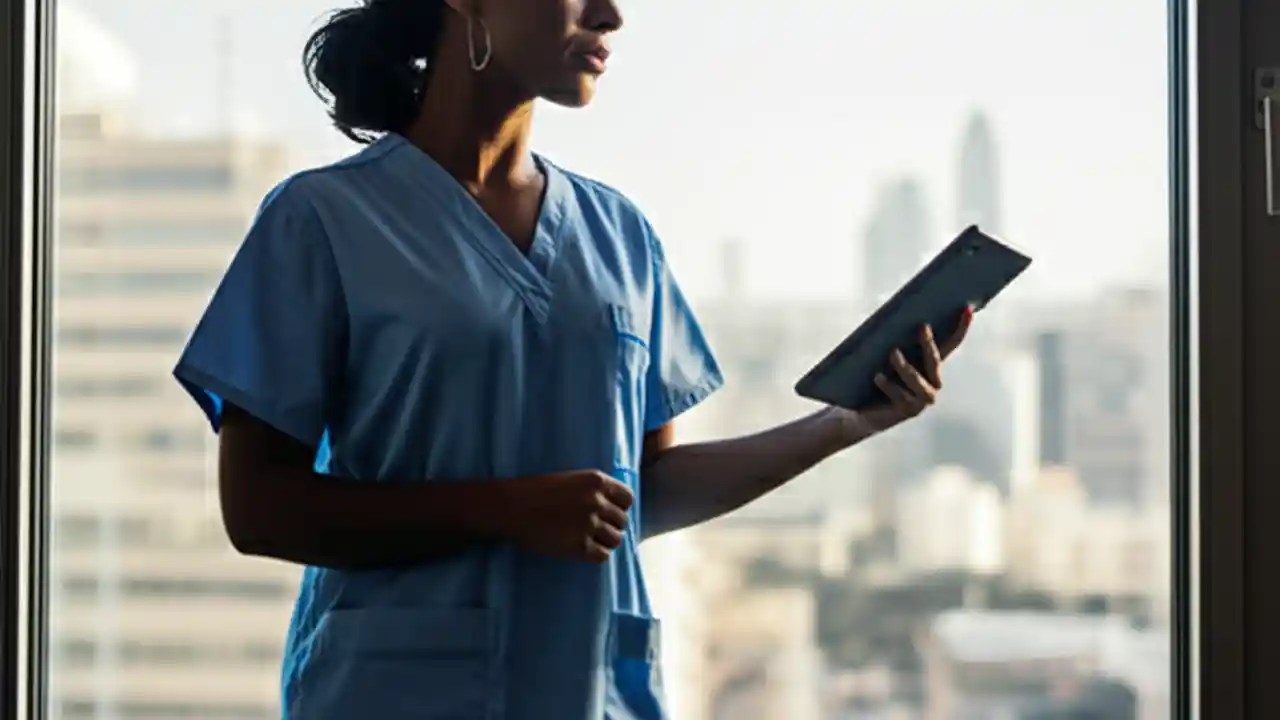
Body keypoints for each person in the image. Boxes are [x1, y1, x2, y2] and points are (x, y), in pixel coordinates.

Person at [172, 0, 973, 717]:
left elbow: (642, 493)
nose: (611, 14)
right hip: (394, 691)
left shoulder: (619, 235)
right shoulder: (321, 221)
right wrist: (506, 510)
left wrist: (841, 423)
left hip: (592, 691)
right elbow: (259, 509)